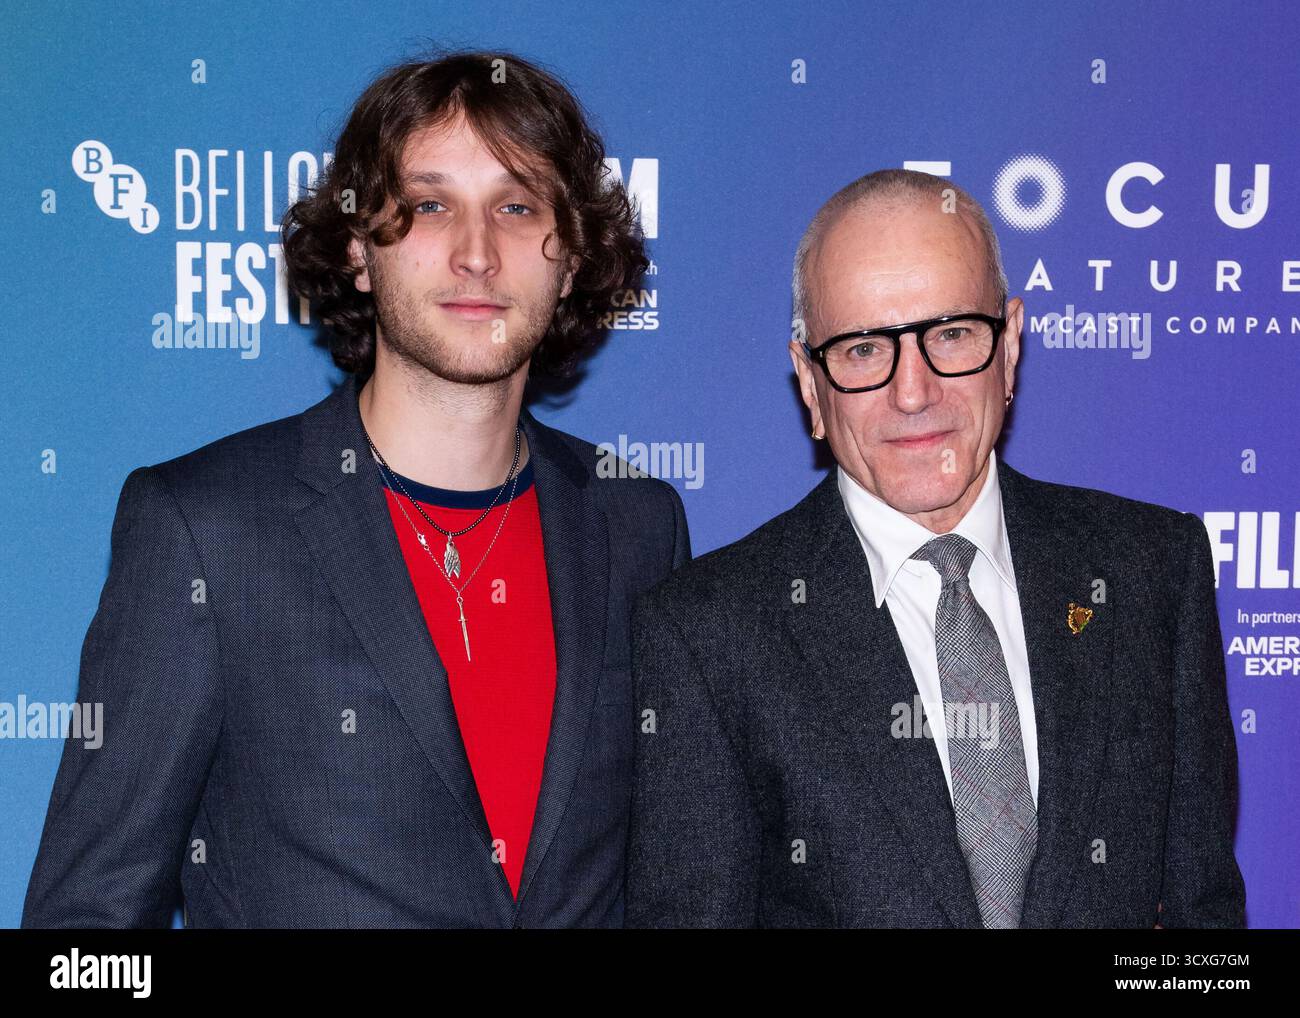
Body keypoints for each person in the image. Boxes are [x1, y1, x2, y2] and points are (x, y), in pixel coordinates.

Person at [24, 50, 688, 929]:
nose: (477, 252)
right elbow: (85, 932)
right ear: (357, 248)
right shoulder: (207, 529)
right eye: (428, 205)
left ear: (570, 260)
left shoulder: (638, 524)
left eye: (518, 206)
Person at [626, 168, 1245, 929]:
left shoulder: (1153, 571)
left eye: (951, 334)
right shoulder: (707, 631)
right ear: (810, 386)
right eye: (861, 350)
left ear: (1010, 345)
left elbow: (1202, 927)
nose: (913, 391)